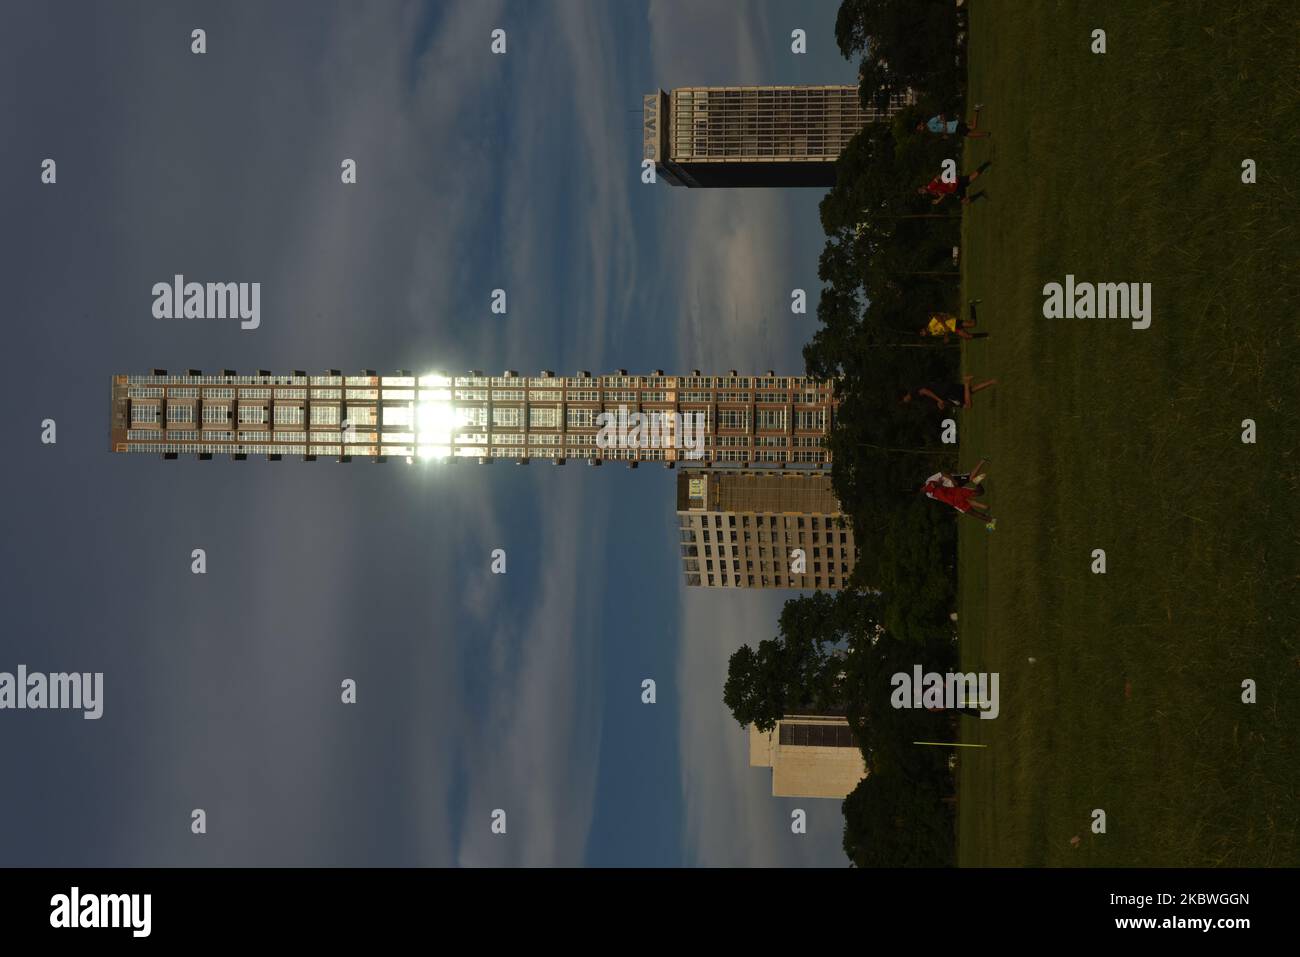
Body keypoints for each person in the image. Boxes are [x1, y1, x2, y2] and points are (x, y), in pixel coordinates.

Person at [921, 461, 995, 530]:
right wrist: (942, 483)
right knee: (980, 493)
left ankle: (991, 521)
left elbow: (941, 495)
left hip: (956, 502)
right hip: (957, 492)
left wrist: (948, 482)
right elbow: (939, 483)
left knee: (974, 513)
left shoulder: (929, 493)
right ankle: (977, 482)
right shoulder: (931, 483)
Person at [902, 375, 997, 412]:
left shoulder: (913, 393)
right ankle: (992, 381)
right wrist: (940, 405)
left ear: (904, 396)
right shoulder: (915, 397)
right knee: (970, 391)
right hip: (946, 389)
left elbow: (925, 391)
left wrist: (939, 400)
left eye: (903, 400)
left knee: (967, 405)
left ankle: (967, 382)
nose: (906, 401)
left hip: (946, 393)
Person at [918, 160, 992, 205]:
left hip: (954, 183)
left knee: (973, 177)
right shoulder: (932, 192)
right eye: (922, 193)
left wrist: (948, 181)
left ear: (923, 187)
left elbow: (939, 176)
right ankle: (982, 193)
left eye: (922, 190)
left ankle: (987, 164)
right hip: (955, 189)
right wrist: (939, 198)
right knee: (965, 201)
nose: (923, 192)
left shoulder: (930, 186)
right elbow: (943, 193)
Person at [915, 104, 988, 138]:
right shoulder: (930, 129)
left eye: (920, 127)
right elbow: (942, 129)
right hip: (954, 128)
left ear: (922, 123)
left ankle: (987, 135)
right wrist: (944, 134)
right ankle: (976, 109)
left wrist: (944, 126)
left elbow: (942, 116)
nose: (921, 129)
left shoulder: (931, 122)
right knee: (973, 127)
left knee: (969, 134)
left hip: (954, 127)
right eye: (920, 129)